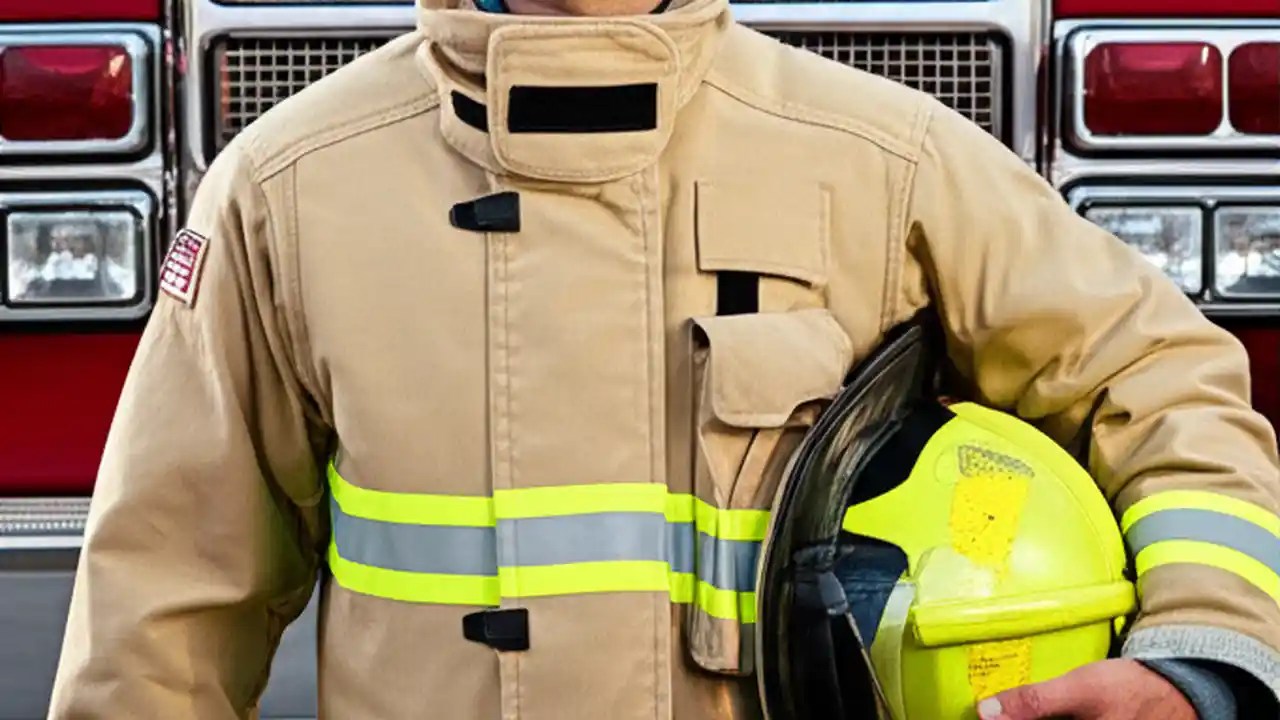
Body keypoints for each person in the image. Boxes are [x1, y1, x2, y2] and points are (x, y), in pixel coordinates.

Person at [49, 0, 1280, 718]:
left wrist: (1199, 664)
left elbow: (1160, 382)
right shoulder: (283, 191)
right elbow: (164, 606)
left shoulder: (880, 162)